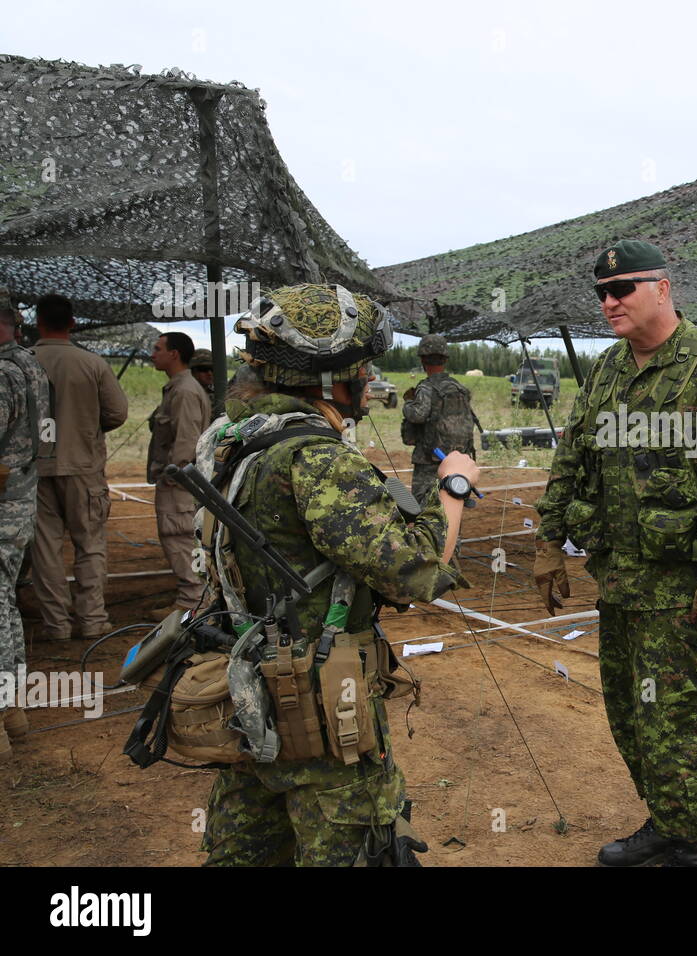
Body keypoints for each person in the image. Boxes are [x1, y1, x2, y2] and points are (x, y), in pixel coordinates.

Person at [194, 283, 477, 866]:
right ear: (327, 382)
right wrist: (453, 487)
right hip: (319, 707)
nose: (369, 380)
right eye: (361, 368)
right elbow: (414, 572)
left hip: (250, 690)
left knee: (244, 849)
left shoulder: (231, 441)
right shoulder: (316, 458)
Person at [533, 239, 697, 866]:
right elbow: (572, 459)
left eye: (623, 290)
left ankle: (683, 838)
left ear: (663, 289)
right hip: (618, 580)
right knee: (626, 711)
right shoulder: (608, 370)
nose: (609, 302)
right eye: (601, 294)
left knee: (670, 717)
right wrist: (547, 542)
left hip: (683, 588)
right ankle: (667, 819)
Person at [31, 293, 129, 642]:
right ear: (72, 323)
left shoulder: (22, 363)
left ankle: (56, 626)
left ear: (37, 322)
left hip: (34, 470)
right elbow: (117, 413)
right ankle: (91, 621)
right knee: (89, 544)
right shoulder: (91, 363)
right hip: (83, 467)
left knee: (45, 549)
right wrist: (86, 428)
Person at [0, 287, 51, 760]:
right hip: (19, 501)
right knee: (6, 604)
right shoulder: (30, 365)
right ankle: (12, 709)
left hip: (2, 502)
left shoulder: (2, 373)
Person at [146, 331, 211, 620]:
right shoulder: (180, 387)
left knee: (179, 537)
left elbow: (186, 441)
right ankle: (194, 598)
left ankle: (192, 602)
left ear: (174, 354)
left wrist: (173, 476)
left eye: (158, 348)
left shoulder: (184, 390)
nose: (152, 353)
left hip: (179, 482)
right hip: (180, 479)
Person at [402, 333, 477, 504]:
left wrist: (407, 403)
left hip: (429, 461)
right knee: (453, 502)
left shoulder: (426, 388)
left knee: (423, 506)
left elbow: (417, 415)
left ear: (422, 360)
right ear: (445, 360)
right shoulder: (460, 388)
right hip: (458, 459)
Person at [189, 348, 223, 424]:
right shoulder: (186, 394)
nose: (209, 373)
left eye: (212, 369)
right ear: (193, 371)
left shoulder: (218, 395)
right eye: (204, 369)